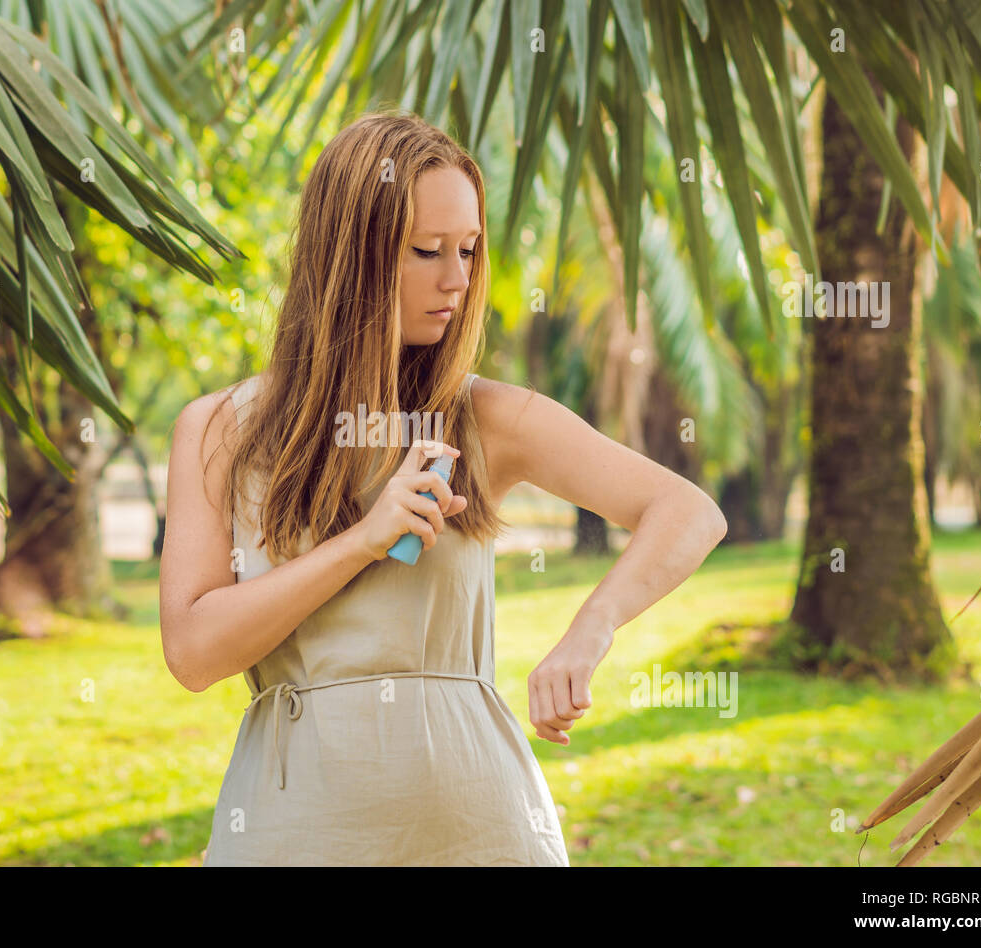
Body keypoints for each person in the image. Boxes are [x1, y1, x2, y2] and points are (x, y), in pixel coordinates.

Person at [159, 110, 727, 865]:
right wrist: (363, 541)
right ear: (350, 255)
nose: (456, 279)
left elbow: (687, 511)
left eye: (468, 250)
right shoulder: (219, 431)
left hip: (478, 826)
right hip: (292, 825)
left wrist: (589, 632)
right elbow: (194, 653)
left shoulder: (487, 417)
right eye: (426, 251)